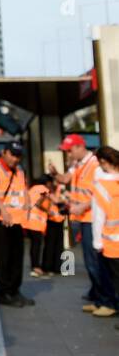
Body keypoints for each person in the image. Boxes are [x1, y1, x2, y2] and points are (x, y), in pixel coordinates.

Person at [60, 134, 118, 315]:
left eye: (70, 150)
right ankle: (99, 297)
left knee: (96, 263)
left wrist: (81, 206)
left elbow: (97, 194)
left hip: (93, 218)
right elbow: (67, 180)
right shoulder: (79, 165)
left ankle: (106, 300)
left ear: (79, 147)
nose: (68, 154)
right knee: (92, 262)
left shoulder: (95, 165)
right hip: (86, 218)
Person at [0, 143, 32, 306]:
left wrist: (27, 202)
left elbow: (23, 188)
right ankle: (4, 292)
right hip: (0, 219)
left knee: (17, 256)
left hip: (17, 219)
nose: (15, 158)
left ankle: (15, 291)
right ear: (3, 152)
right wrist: (3, 211)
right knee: (4, 256)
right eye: (12, 154)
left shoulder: (19, 169)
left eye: (18, 155)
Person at [88, 146, 119, 319]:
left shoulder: (102, 186)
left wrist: (97, 242)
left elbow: (98, 217)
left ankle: (109, 303)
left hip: (111, 243)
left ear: (103, 162)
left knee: (112, 280)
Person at [24, 174, 52, 278]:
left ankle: (34, 265)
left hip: (29, 220)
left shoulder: (33, 188)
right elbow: (39, 203)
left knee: (33, 245)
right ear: (47, 182)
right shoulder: (44, 189)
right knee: (37, 245)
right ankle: (36, 267)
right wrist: (48, 210)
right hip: (36, 222)